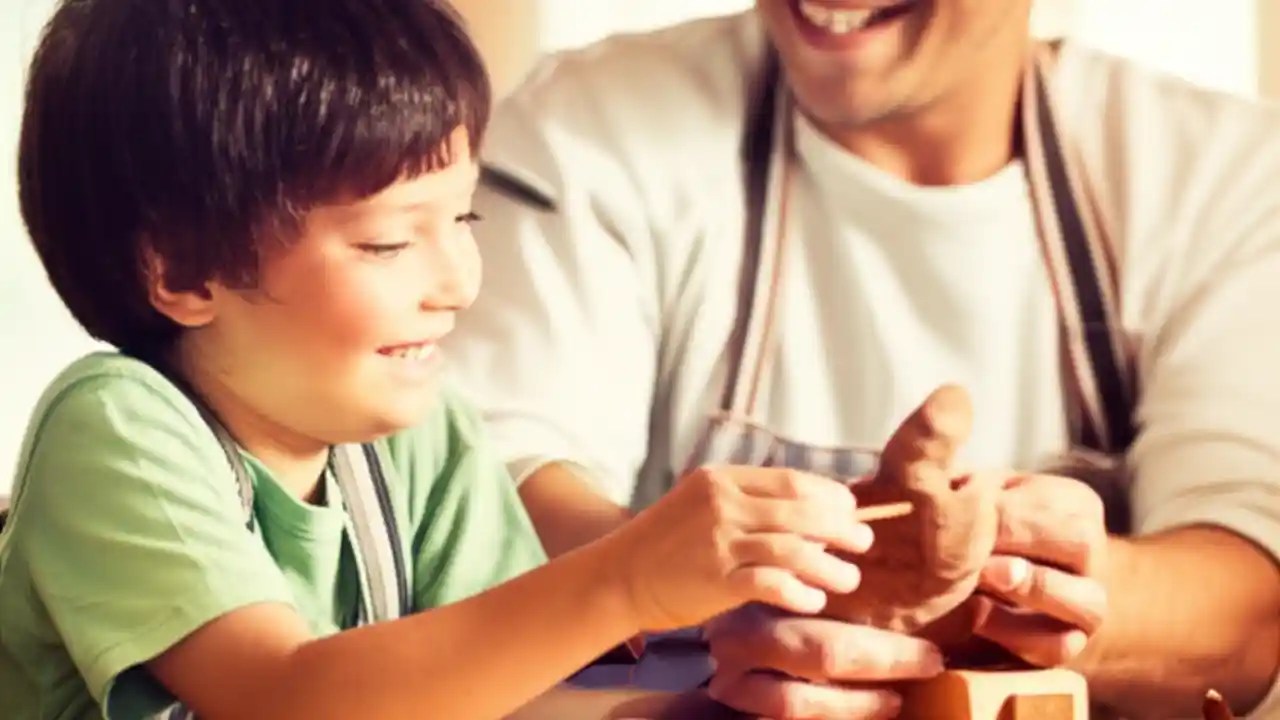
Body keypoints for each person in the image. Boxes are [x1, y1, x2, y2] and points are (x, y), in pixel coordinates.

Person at [0, 1, 886, 718]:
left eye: (463, 219)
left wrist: (728, 709)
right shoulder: (118, 428)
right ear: (184, 272)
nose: (460, 283)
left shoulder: (420, 434)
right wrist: (624, 576)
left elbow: (506, 698)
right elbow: (282, 699)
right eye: (389, 243)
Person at [442, 1, 1280, 717]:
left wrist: (979, 586)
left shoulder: (1222, 177)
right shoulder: (591, 124)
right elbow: (482, 495)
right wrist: (696, 584)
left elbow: (1247, 610)